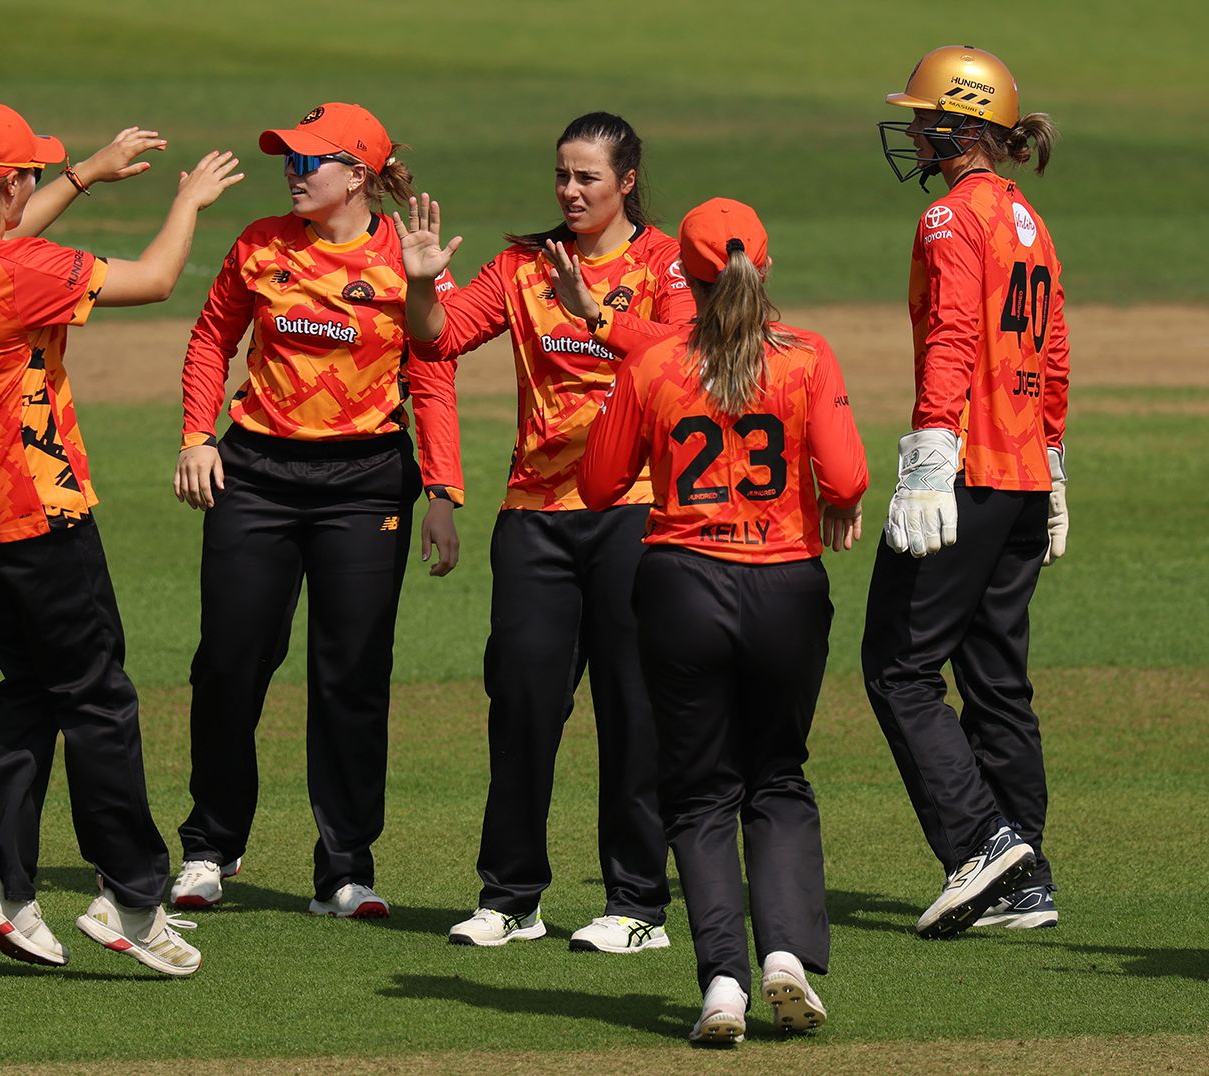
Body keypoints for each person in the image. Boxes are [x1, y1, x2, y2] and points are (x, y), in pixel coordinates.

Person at [0, 103, 243, 976]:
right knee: (98, 697)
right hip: (34, 507)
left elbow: (2, 238)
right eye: (33, 174)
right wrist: (190, 201)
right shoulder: (22, 273)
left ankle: (2, 885)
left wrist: (85, 173)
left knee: (28, 685)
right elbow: (161, 279)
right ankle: (132, 897)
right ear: (9, 183)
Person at [397, 112, 695, 952]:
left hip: (636, 510)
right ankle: (511, 898)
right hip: (535, 514)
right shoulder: (524, 265)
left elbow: (680, 358)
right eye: (562, 176)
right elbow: (437, 339)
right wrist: (423, 283)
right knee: (522, 704)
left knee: (632, 711)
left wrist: (595, 311)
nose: (569, 191)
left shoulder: (666, 263)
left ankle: (637, 905)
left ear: (626, 181)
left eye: (587, 178)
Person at [579, 198, 867, 1042]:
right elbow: (847, 477)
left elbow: (599, 486)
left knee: (700, 792)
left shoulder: (656, 362)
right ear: (763, 270)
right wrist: (826, 502)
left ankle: (722, 989)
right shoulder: (806, 356)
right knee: (776, 776)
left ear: (686, 280)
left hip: (681, 585)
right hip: (784, 586)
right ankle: (784, 958)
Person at [170, 103, 463, 919]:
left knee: (352, 677)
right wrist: (199, 436)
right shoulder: (261, 245)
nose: (294, 173)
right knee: (229, 663)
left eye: (310, 161)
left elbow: (432, 373)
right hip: (255, 470)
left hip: (367, 480)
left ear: (358, 175)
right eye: (289, 160)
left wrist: (441, 491)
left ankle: (344, 870)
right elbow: (209, 340)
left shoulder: (407, 259)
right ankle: (209, 849)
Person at [866, 45, 1070, 939]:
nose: (912, 131)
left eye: (923, 118)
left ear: (958, 126)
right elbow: (1052, 352)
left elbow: (952, 335)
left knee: (898, 667)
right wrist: (1054, 461)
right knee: (995, 678)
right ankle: (1025, 873)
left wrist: (928, 455)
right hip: (1021, 476)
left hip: (971, 471)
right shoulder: (1028, 218)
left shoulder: (954, 220)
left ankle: (982, 845)